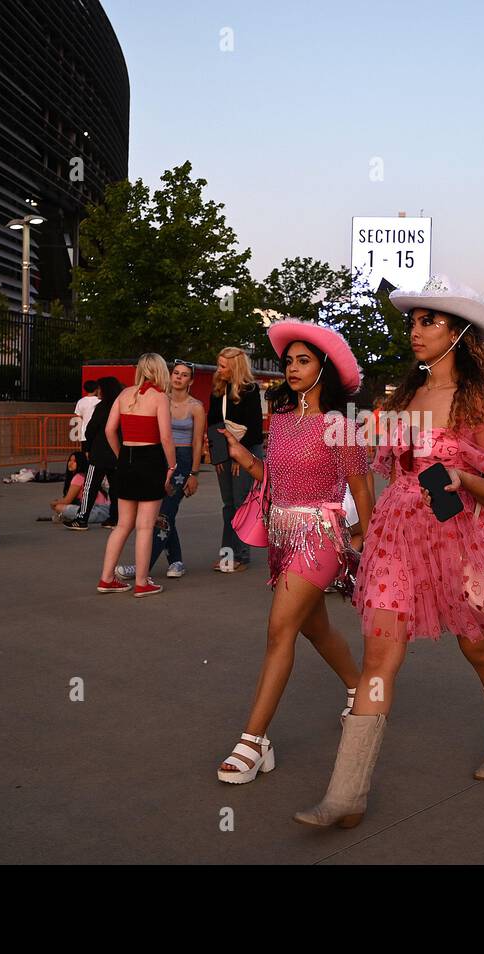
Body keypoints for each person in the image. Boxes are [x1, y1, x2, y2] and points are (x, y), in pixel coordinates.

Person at [294, 275, 484, 830]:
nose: (415, 331)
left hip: (459, 535)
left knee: (476, 646)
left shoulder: (480, 404)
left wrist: (461, 474)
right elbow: (385, 463)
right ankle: (346, 792)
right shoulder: (406, 396)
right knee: (378, 658)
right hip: (397, 533)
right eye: (413, 320)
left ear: (459, 333)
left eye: (429, 321)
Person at [215, 322, 373, 784]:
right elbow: (274, 479)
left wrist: (362, 543)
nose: (292, 368)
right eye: (289, 361)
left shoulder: (340, 426)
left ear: (324, 368)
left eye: (303, 360)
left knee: (278, 631)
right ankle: (358, 689)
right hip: (282, 538)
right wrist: (243, 456)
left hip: (321, 538)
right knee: (314, 628)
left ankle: (254, 742)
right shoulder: (280, 422)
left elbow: (364, 496)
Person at [114, 359, 208, 581]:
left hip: (182, 460)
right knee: (160, 512)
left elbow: (197, 442)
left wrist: (194, 473)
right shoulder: (159, 398)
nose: (178, 377)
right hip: (158, 457)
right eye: (175, 373)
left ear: (191, 381)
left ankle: (141, 568)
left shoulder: (196, 407)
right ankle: (176, 560)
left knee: (164, 513)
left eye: (184, 375)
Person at [94, 354, 177, 597]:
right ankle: (142, 582)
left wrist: (120, 454)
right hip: (150, 459)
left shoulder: (123, 394)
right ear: (160, 370)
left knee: (122, 525)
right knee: (144, 526)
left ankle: (106, 578)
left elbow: (110, 430)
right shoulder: (160, 397)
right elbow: (166, 438)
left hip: (126, 458)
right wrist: (171, 466)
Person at [208, 346, 265, 573]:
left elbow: (254, 430)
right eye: (219, 364)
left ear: (235, 367)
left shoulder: (250, 390)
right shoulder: (218, 389)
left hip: (246, 452)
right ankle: (227, 555)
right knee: (228, 505)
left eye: (223, 366)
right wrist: (218, 457)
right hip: (224, 452)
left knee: (241, 503)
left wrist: (237, 457)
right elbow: (213, 424)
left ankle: (241, 555)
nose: (219, 369)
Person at [69, 377, 122, 530]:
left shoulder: (102, 407)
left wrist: (86, 448)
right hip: (117, 453)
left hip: (99, 453)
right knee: (115, 487)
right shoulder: (121, 406)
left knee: (90, 486)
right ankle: (115, 518)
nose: (97, 391)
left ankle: (82, 518)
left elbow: (91, 429)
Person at [51, 451, 109, 525]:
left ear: (81, 463)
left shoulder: (78, 477)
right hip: (105, 510)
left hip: (97, 511)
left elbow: (67, 501)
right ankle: (67, 516)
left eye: (75, 461)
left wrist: (52, 504)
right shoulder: (85, 475)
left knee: (58, 507)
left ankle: (68, 517)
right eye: (70, 460)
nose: (71, 463)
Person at [73, 380, 100, 452]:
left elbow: (78, 416)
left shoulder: (81, 401)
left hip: (84, 432)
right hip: (98, 432)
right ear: (96, 389)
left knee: (86, 452)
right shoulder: (100, 401)